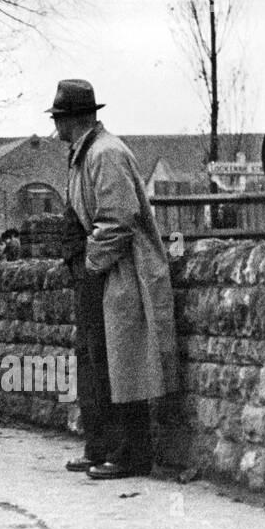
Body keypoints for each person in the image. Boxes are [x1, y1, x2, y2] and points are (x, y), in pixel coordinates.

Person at [52, 79, 178, 480]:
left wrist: (90, 263)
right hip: (101, 270)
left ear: (75, 119)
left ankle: (131, 455)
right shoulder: (83, 154)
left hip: (122, 271)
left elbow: (117, 221)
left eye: (59, 118)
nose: (56, 126)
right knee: (95, 361)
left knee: (123, 361)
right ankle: (102, 446)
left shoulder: (105, 154)